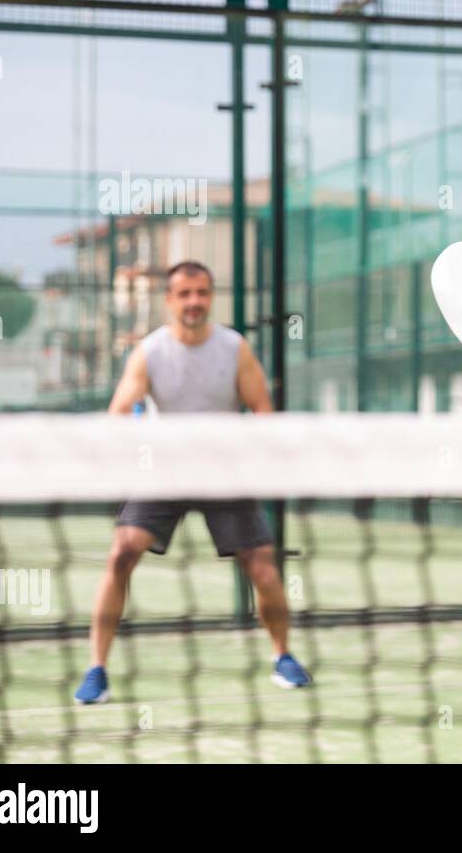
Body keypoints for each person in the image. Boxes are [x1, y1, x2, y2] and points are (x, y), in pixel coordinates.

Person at [74, 260, 312, 704]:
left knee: (262, 566)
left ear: (211, 296)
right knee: (121, 555)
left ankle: (283, 657)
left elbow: (263, 410)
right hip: (163, 474)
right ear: (169, 300)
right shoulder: (150, 351)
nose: (194, 302)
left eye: (202, 293)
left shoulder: (234, 348)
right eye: (184, 294)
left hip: (223, 475)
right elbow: (119, 411)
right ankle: (97, 669)